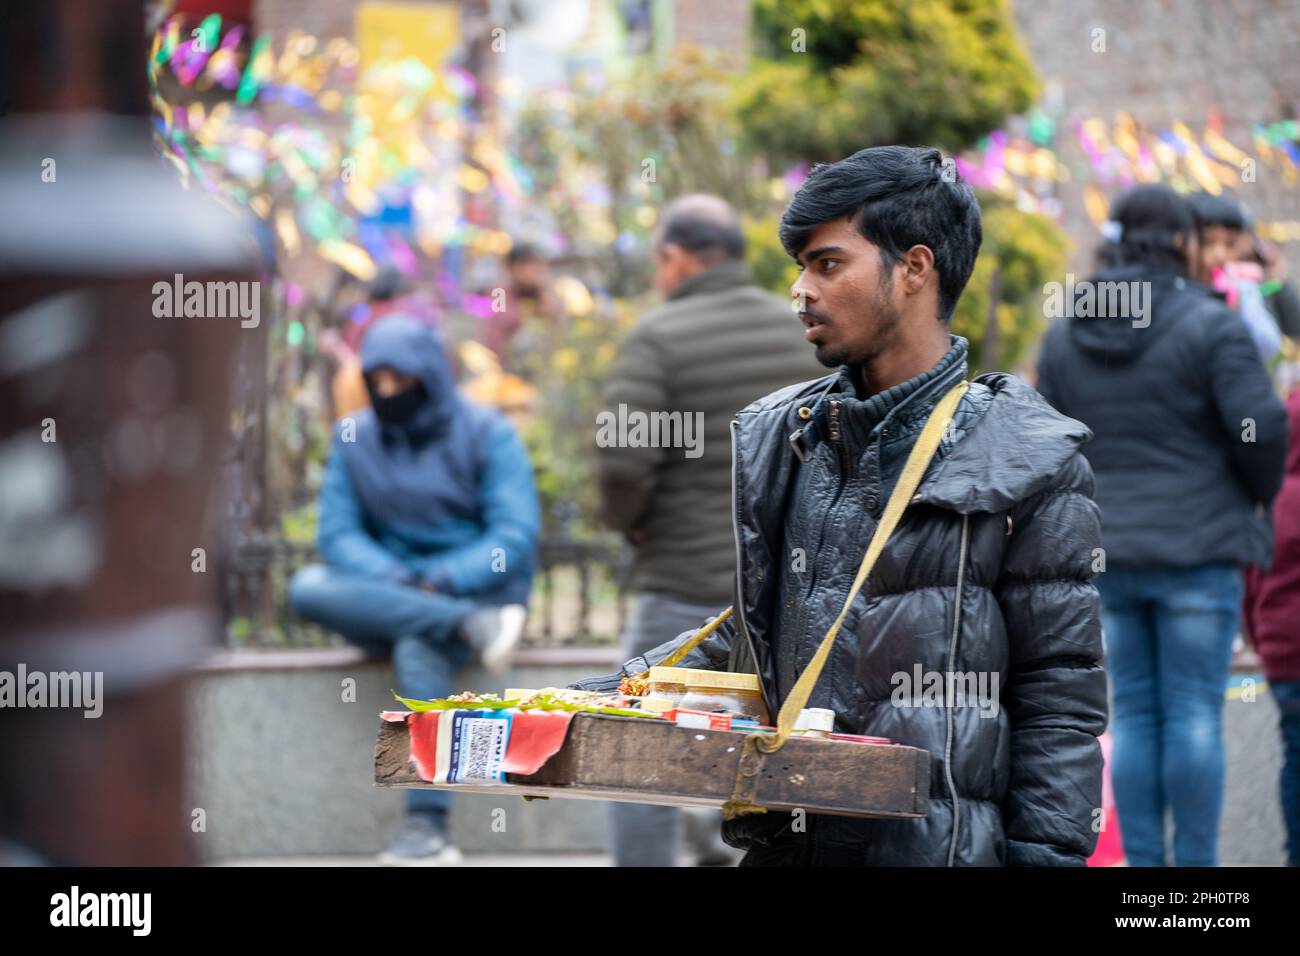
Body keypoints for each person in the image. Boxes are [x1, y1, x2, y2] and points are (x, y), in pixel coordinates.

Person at [575, 146, 1108, 866]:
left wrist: (1042, 859)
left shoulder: (1024, 460)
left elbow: (1058, 702)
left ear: (916, 268)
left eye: (827, 264)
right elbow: (756, 635)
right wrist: (582, 703)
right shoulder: (789, 439)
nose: (800, 290)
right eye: (801, 267)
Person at [1036, 184, 1289, 866]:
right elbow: (1260, 427)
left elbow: (1050, 442)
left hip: (1108, 552)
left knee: (1138, 716)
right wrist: (1252, 495)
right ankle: (1193, 885)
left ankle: (1145, 876)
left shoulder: (1066, 330)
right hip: (1201, 548)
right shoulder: (1210, 324)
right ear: (1179, 242)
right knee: (1196, 714)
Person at [595, 193, 824, 866]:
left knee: (635, 755)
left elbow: (620, 463)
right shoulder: (800, 329)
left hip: (683, 587)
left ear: (674, 258)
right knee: (768, 751)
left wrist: (627, 525)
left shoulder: (659, 336)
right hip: (785, 601)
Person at [289, 314, 540, 866]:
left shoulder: (487, 433)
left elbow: (512, 537)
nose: (386, 392)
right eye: (376, 380)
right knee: (307, 586)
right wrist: (406, 583)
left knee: (415, 645)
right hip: (403, 593)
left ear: (428, 376)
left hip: (475, 592)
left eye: (399, 380)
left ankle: (427, 826)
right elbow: (338, 536)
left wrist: (443, 579)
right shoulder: (354, 438)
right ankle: (459, 627)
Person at [1243, 385, 1300, 866]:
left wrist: (1257, 639)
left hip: (1285, 659)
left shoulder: (1274, 498)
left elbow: (1250, 576)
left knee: (1295, 758)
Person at [1188, 192, 1283, 362]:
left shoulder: (1239, 287)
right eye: (1209, 242)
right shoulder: (1170, 286)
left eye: (1229, 244)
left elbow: (1269, 344)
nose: (1220, 254)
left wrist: (1237, 316)